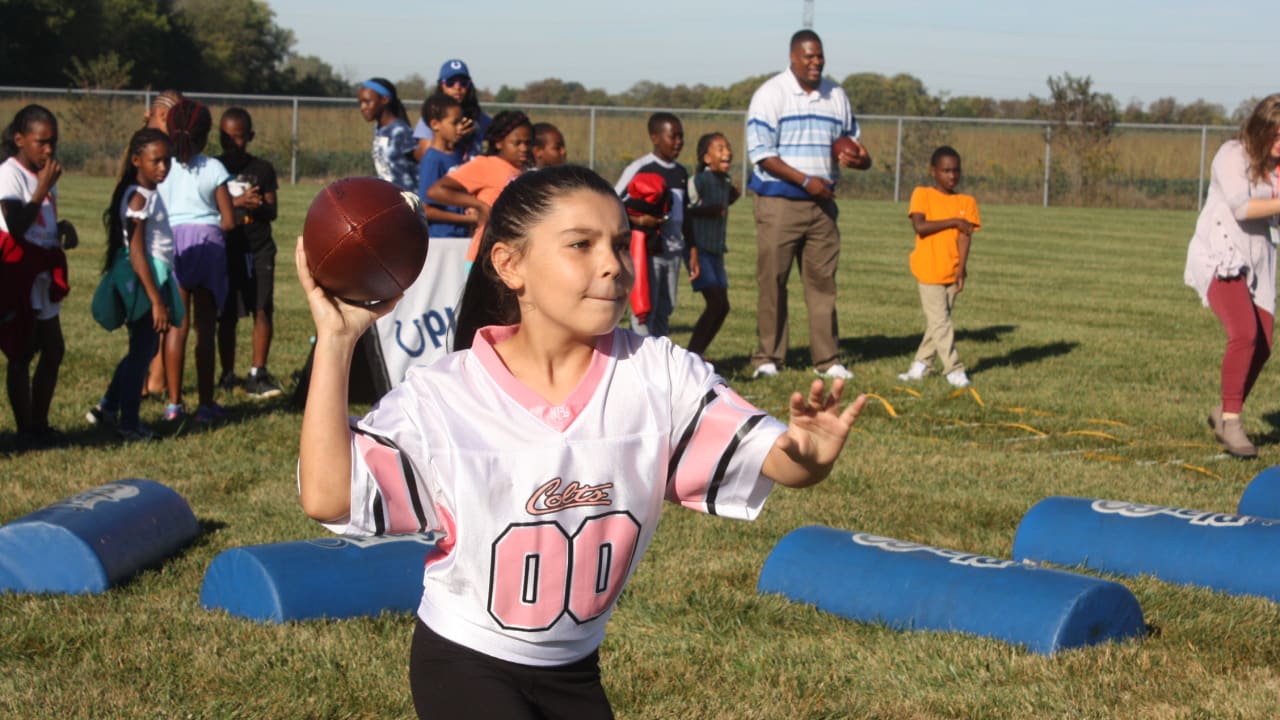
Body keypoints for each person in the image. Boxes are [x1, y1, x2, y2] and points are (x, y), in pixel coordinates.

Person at [294, 164, 867, 719]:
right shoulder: (444, 396)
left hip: (574, 670)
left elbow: (780, 464)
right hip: (465, 660)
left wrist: (808, 456)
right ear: (510, 264)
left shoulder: (659, 375)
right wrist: (337, 340)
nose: (613, 264)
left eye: (618, 244)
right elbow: (329, 497)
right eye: (581, 245)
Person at [746, 29, 871, 380]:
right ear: (793, 57)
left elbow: (855, 146)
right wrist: (805, 181)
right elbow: (762, 154)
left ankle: (828, 360)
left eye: (820, 56)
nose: (816, 62)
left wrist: (860, 160)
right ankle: (768, 358)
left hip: (823, 205)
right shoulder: (771, 94)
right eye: (808, 56)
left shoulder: (836, 95)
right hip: (779, 203)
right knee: (773, 282)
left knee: (823, 285)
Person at [1185, 94, 1280, 459]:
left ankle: (1225, 410)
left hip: (1260, 258)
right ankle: (1232, 421)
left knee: (1264, 344)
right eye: (1275, 135)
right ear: (1259, 129)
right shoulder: (1231, 155)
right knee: (1244, 333)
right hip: (1222, 253)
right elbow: (1242, 208)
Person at [87, 128, 182, 440]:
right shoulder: (139, 197)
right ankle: (129, 423)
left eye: (167, 160)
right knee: (142, 352)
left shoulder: (146, 193)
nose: (163, 167)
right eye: (156, 161)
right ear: (137, 160)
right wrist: (156, 300)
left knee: (145, 348)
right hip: (145, 283)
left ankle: (107, 407)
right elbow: (137, 252)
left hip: (152, 279)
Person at [0, 105, 77, 445]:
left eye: (53, 142)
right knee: (21, 351)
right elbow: (16, 226)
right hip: (20, 270)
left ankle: (40, 423)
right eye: (41, 142)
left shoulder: (44, 175)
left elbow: (39, 220)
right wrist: (43, 187)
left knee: (53, 349)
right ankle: (25, 430)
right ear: (20, 139)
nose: (49, 149)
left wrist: (61, 227)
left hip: (42, 269)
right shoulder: (10, 174)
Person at [158, 99, 235, 422]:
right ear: (205, 137)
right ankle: (205, 404)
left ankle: (174, 404)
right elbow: (228, 220)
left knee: (177, 328)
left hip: (173, 245)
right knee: (205, 329)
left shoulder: (162, 166)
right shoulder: (213, 168)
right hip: (208, 245)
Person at [897, 145, 980, 389]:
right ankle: (954, 369)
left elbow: (965, 236)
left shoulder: (967, 202)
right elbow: (920, 227)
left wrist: (961, 268)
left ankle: (920, 365)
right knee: (941, 323)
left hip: (952, 271)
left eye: (956, 170)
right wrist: (954, 221)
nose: (952, 176)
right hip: (928, 270)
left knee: (937, 323)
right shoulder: (922, 194)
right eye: (946, 171)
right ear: (933, 171)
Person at [215, 107, 282, 399]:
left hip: (258, 247)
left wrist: (258, 205)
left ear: (250, 136)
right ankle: (227, 374)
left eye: (239, 137)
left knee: (262, 306)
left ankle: (258, 372)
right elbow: (208, 207)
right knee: (227, 313)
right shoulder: (214, 168)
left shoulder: (262, 169)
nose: (233, 144)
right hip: (227, 246)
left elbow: (272, 210)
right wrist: (238, 201)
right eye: (226, 137)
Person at [614, 112, 689, 338]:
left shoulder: (680, 172)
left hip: (673, 251)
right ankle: (641, 350)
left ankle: (659, 352)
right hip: (647, 252)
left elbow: (686, 213)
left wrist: (692, 248)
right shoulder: (641, 168)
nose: (679, 142)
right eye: (673, 136)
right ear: (655, 137)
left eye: (681, 136)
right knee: (645, 309)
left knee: (666, 308)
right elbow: (613, 204)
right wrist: (639, 221)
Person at [426, 110, 531, 264]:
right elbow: (436, 191)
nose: (524, 148)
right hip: (484, 257)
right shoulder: (486, 165)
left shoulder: (525, 172)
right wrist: (479, 205)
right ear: (498, 142)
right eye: (517, 143)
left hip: (514, 255)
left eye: (528, 143)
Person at [685, 131, 740, 357]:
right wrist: (710, 210)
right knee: (716, 302)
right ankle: (691, 355)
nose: (727, 152)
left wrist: (731, 197)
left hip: (716, 251)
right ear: (707, 158)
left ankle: (697, 353)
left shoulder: (724, 181)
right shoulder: (698, 181)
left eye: (728, 148)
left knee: (723, 307)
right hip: (699, 250)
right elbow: (686, 211)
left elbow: (727, 199)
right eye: (720, 149)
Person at [416, 93, 475, 240]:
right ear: (435, 124)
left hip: (461, 236)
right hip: (443, 238)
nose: (460, 127)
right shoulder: (433, 159)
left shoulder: (458, 154)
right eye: (454, 123)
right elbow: (426, 210)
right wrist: (467, 219)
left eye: (461, 121)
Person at [411, 59, 491, 164]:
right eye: (450, 82)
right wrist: (454, 138)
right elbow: (424, 156)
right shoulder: (432, 116)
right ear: (442, 85)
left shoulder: (480, 118)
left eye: (463, 83)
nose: (457, 87)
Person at [358, 77, 417, 192]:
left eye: (367, 102)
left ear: (384, 100)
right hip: (388, 196)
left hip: (406, 198)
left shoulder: (400, 132)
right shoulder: (379, 129)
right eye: (360, 103)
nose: (362, 108)